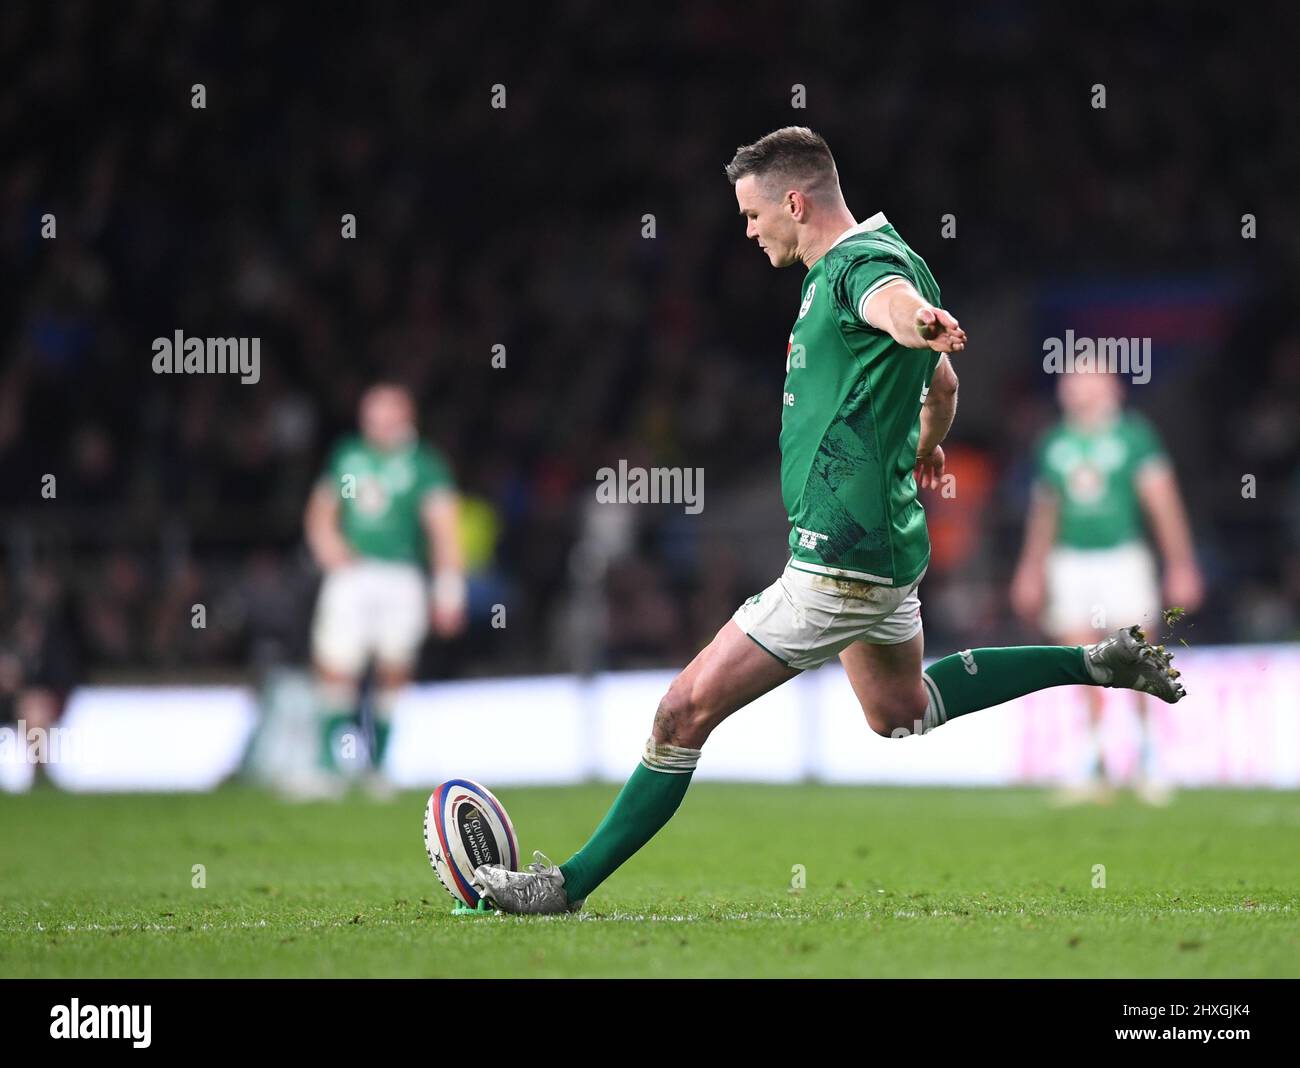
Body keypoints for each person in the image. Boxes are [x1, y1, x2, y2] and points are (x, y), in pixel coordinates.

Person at [473, 127, 1185, 913]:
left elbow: (898, 310)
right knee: (899, 712)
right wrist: (927, 442)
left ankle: (564, 887)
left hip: (839, 558)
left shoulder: (859, 267)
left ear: (795, 200)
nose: (747, 231)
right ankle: (1090, 664)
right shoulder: (891, 251)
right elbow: (941, 386)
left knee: (681, 712)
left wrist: (917, 322)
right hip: (886, 545)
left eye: (751, 215)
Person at [1011, 370, 1203, 804]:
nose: (1078, 388)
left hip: (1122, 558)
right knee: (1083, 662)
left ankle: (1148, 758)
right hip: (1070, 562)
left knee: (1137, 657)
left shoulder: (1134, 437)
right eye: (1073, 380)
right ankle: (1093, 762)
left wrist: (1181, 564)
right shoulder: (1054, 442)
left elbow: (1162, 500)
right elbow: (1045, 513)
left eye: (1088, 379)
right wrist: (1030, 568)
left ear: (1110, 387)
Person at [298, 383, 466, 798]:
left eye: (389, 414)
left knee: (395, 668)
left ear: (407, 416)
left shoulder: (424, 464)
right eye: (374, 415)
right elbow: (321, 510)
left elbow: (443, 528)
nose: (380, 423)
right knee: (337, 664)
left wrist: (449, 590)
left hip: (401, 575)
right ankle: (329, 765)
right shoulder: (349, 455)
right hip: (354, 575)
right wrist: (328, 546)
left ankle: (378, 766)